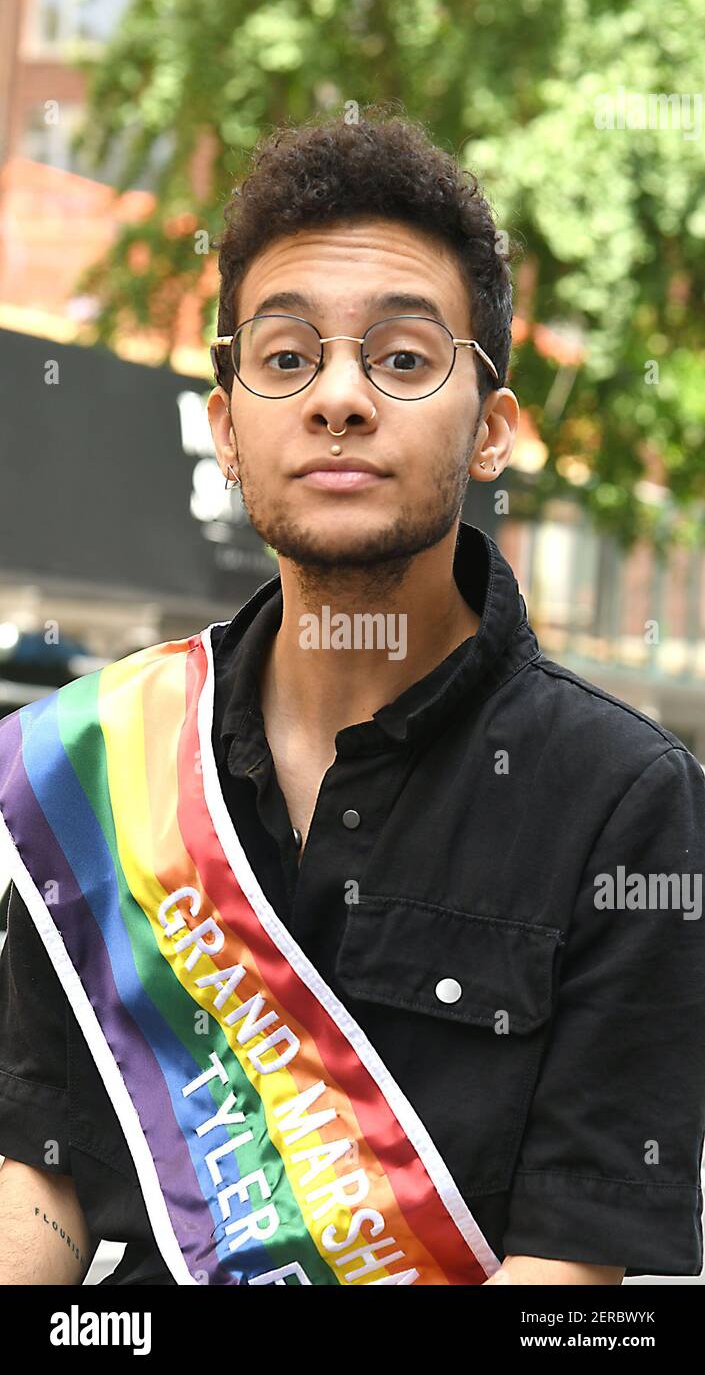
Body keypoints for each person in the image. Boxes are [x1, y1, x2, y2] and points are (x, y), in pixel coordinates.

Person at [0, 107, 704, 1288]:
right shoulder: (95, 756)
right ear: (225, 426)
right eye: (286, 357)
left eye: (403, 356)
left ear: (493, 432)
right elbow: (42, 1168)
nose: (338, 398)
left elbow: (575, 1267)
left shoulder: (626, 802)